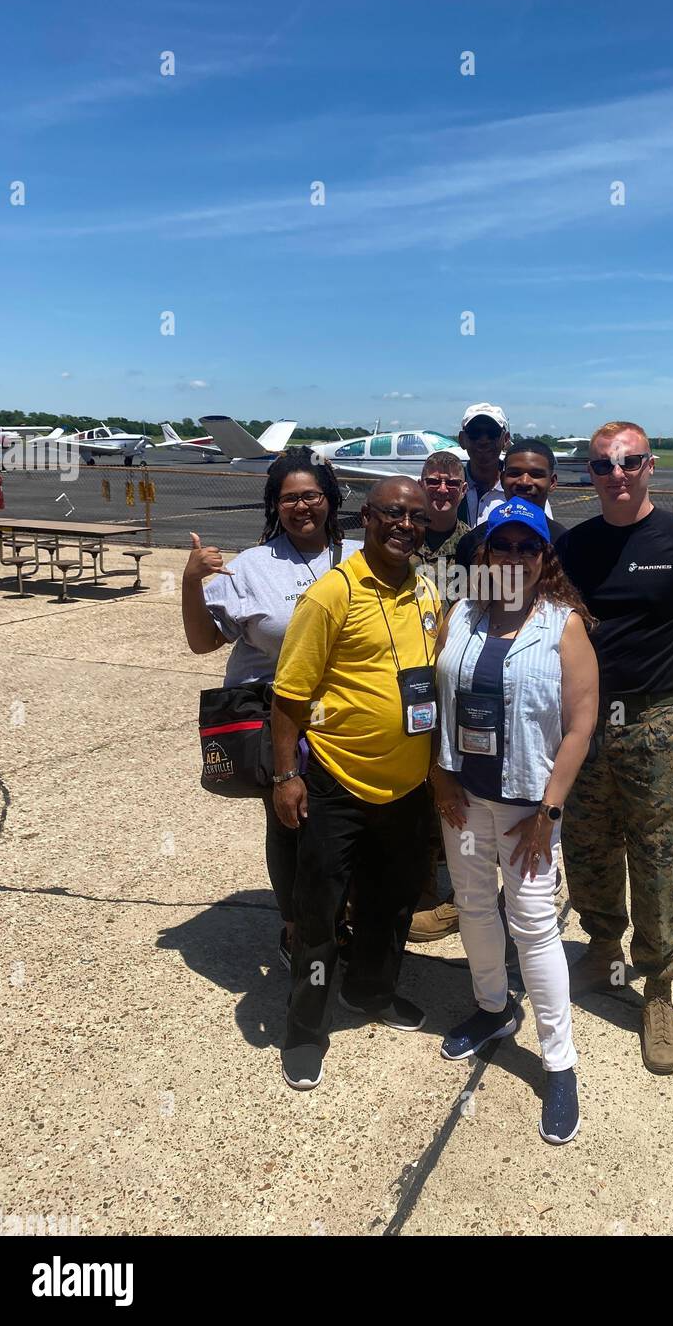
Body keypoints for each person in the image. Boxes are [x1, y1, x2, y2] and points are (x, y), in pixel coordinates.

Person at [556, 422, 673, 1077]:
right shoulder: (571, 547)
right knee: (586, 846)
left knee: (658, 858)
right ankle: (602, 947)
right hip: (582, 727)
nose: (617, 474)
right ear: (589, 473)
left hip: (654, 726)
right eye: (603, 465)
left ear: (649, 466)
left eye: (629, 461)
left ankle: (658, 984)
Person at [432, 498, 599, 1144]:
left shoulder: (563, 626)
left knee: (532, 928)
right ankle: (492, 1008)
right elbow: (435, 700)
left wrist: (547, 812)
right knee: (474, 908)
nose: (512, 557)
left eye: (526, 547)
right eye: (500, 546)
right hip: (463, 799)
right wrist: (438, 774)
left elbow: (581, 727)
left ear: (542, 558)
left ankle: (559, 1063)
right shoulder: (460, 615)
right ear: (484, 555)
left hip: (528, 808)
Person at [271, 477, 442, 1091]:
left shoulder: (426, 593)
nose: (405, 525)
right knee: (317, 917)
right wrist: (288, 775)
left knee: (391, 906)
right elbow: (289, 695)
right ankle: (305, 1027)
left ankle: (372, 993)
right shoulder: (331, 594)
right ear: (366, 517)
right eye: (393, 513)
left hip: (406, 789)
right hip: (336, 785)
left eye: (417, 517)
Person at [181, 447, 360, 971]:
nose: (301, 507)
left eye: (311, 495)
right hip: (277, 713)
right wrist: (192, 581)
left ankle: (341, 914)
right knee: (290, 821)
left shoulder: (359, 555)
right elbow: (201, 641)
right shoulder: (256, 566)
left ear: (330, 498)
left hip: (346, 715)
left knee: (342, 823)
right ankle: (295, 927)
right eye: (289, 499)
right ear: (274, 506)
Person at [408, 451, 470, 944]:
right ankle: (420, 885)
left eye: (451, 482)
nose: (441, 489)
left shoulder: (475, 546)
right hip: (404, 676)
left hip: (454, 678)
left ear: (463, 487)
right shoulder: (402, 535)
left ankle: (458, 890)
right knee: (413, 779)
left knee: (454, 779)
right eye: (433, 481)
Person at [454, 439, 565, 574]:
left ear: (552, 482)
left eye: (536, 474)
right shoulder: (472, 542)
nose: (524, 482)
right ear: (502, 479)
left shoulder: (567, 544)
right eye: (515, 473)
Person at [455, 404, 512, 526]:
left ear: (506, 439)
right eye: (475, 432)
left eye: (492, 433)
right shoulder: (448, 489)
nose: (483, 440)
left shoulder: (518, 490)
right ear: (462, 439)